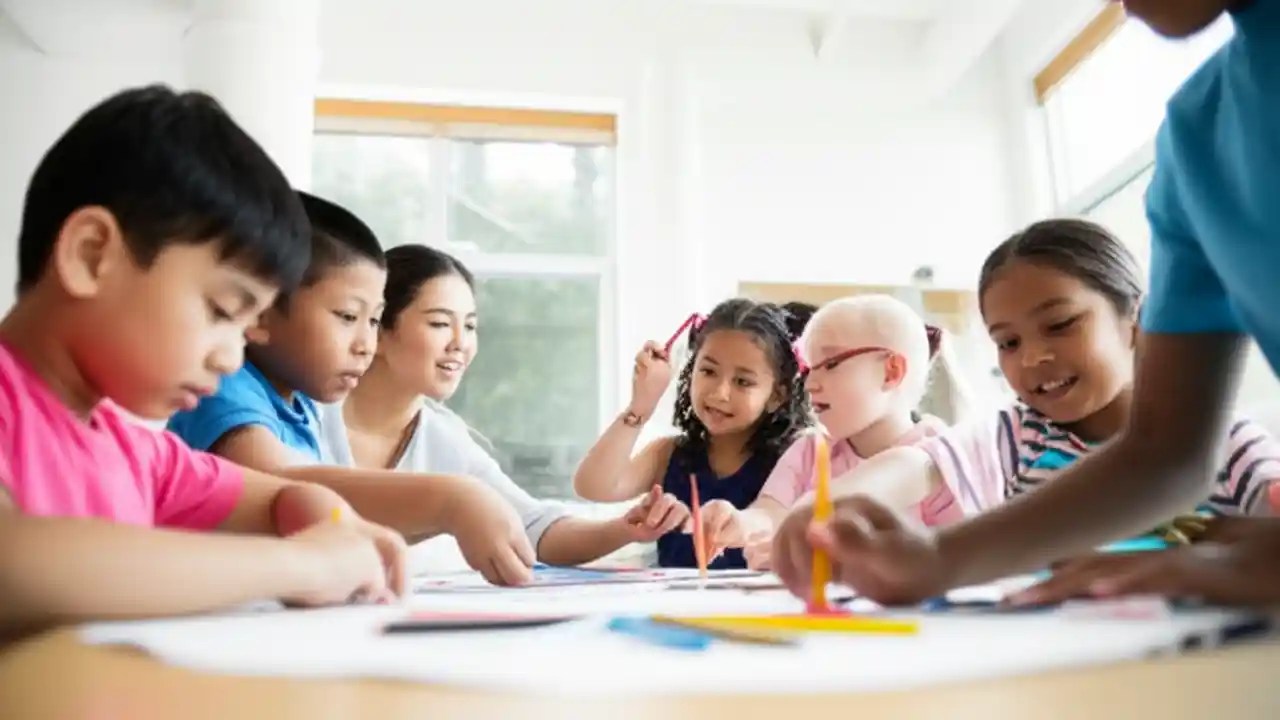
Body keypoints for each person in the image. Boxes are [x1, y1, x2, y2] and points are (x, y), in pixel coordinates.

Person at [0, 85, 406, 635]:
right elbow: (16, 563)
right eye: (221, 310)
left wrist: (331, 520)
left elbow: (285, 496)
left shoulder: (140, 454)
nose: (232, 356)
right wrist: (303, 564)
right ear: (93, 255)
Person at [772, 213, 1280, 607]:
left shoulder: (1224, 440)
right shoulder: (1021, 435)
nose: (1033, 357)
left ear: (1136, 321)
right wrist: (825, 506)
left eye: (1060, 325)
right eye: (1008, 342)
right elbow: (918, 463)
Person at [168, 193, 534, 586]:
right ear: (260, 313)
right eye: (347, 316)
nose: (365, 344)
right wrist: (448, 500)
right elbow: (277, 487)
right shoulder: (226, 383)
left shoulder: (300, 406)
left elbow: (314, 511)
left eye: (373, 321)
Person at [320, 244, 668, 567]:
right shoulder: (307, 416)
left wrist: (623, 528)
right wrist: (449, 502)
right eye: (440, 323)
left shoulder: (443, 438)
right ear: (378, 330)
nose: (461, 343)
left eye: (470, 326)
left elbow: (533, 527)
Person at [699, 295, 962, 569]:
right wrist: (740, 524)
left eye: (830, 364)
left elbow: (952, 558)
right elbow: (771, 512)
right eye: (809, 369)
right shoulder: (808, 450)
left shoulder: (942, 458)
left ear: (891, 372)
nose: (810, 384)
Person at [574, 298, 810, 568]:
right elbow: (594, 487)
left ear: (777, 396)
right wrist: (641, 405)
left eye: (742, 382)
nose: (720, 393)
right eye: (708, 371)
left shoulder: (795, 460)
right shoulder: (669, 453)